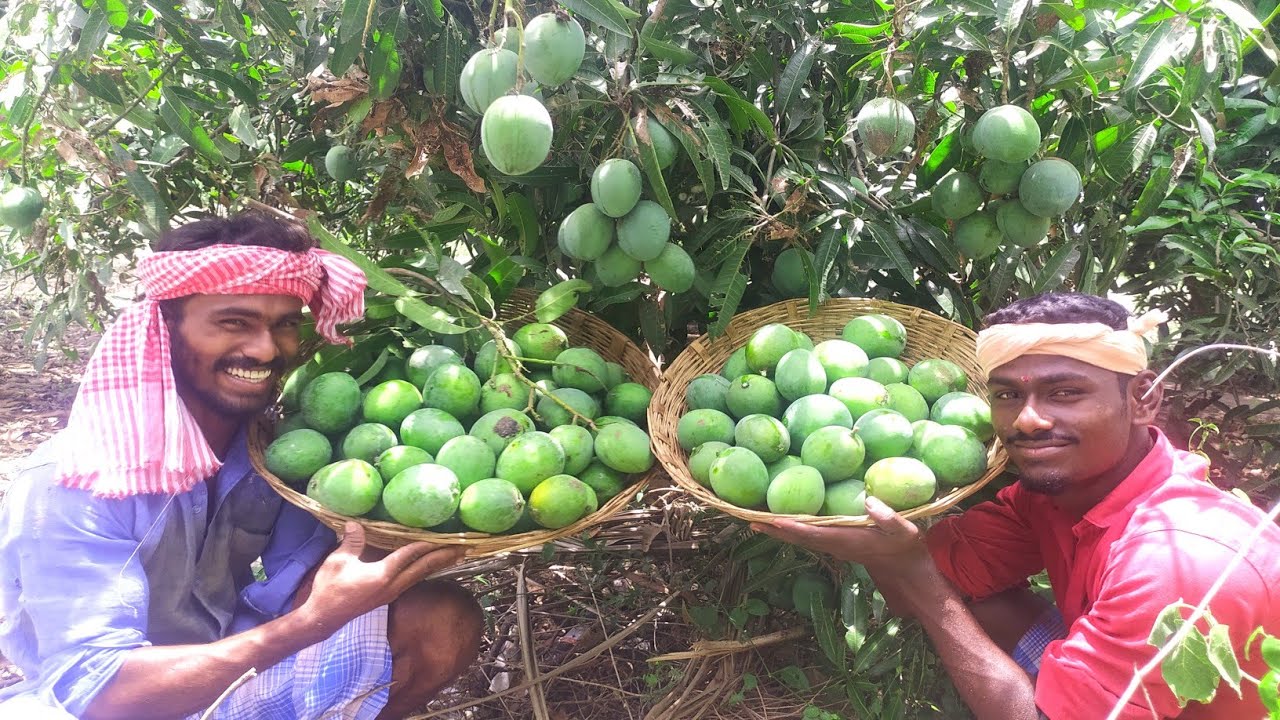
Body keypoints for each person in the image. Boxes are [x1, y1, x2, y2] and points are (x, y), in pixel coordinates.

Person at [0, 213, 483, 719]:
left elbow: (300, 584)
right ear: (167, 328)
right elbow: (99, 692)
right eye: (234, 322)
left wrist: (400, 538)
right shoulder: (76, 480)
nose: (265, 348)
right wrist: (314, 621)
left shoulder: (269, 455)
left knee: (440, 619)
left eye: (284, 325)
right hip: (113, 701)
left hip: (227, 672)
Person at [755, 292, 1280, 720]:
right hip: (1132, 681)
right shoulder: (1054, 495)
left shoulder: (1178, 560)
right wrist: (885, 549)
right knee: (975, 601)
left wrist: (912, 572)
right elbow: (928, 584)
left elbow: (923, 588)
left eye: (1066, 392)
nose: (1027, 419)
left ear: (1142, 399)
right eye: (1007, 395)